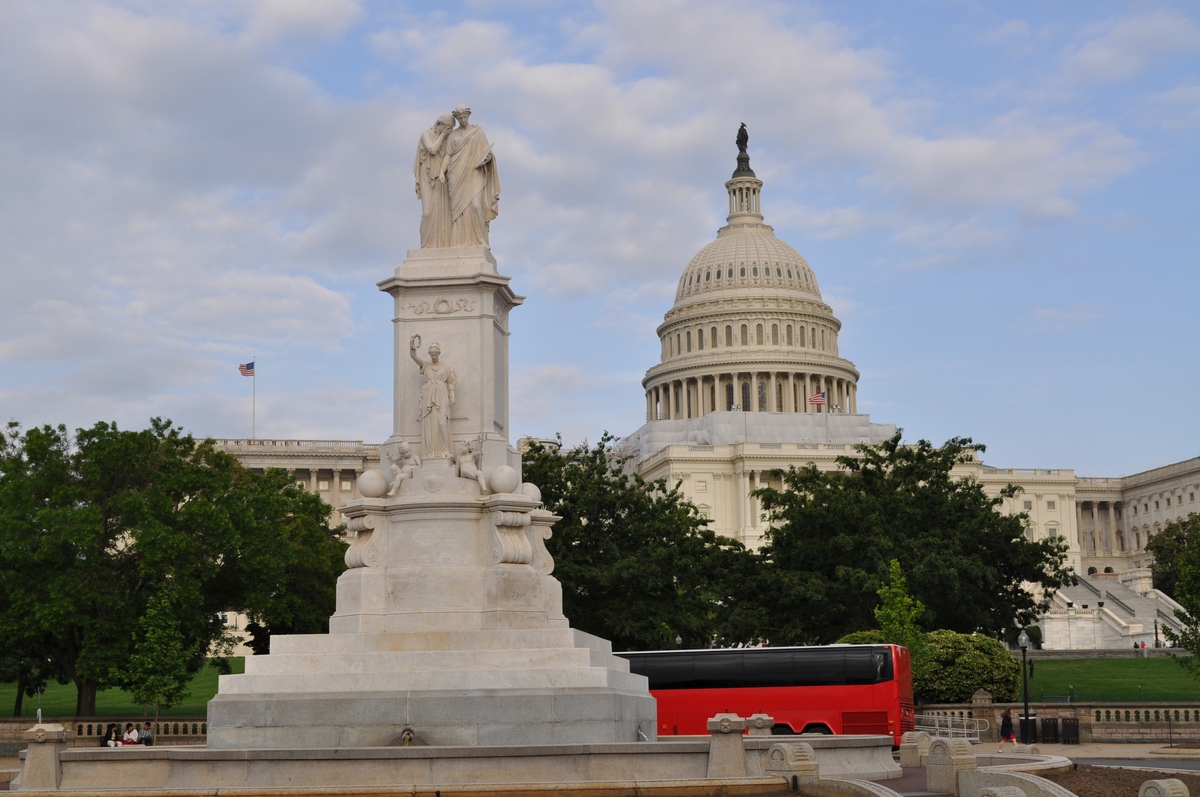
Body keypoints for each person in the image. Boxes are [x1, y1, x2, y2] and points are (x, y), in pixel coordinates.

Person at [445, 105, 500, 247]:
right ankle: (458, 242)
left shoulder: (478, 132)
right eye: (460, 118)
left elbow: (487, 152)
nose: (463, 120)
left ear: (468, 116)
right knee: (457, 210)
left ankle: (480, 241)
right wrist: (440, 172)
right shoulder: (453, 135)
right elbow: (447, 155)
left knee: (476, 205)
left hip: (475, 172)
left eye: (464, 117)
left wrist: (486, 159)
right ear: (456, 119)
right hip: (456, 173)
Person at [410, 337, 457, 459]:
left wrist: (452, 394)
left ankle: (445, 450)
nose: (434, 356)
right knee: (429, 424)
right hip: (428, 395)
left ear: (439, 354)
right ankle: (430, 452)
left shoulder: (445, 368)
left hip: (442, 395)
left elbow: (450, 382)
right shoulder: (425, 365)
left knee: (442, 422)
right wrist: (412, 348)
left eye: (436, 354)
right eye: (432, 354)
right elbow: (414, 357)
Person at [414, 112, 455, 248]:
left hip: (441, 178)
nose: (449, 132)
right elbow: (432, 149)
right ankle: (425, 245)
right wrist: (443, 135)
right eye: (447, 128)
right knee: (427, 213)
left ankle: (441, 245)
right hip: (427, 176)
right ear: (440, 124)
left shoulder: (448, 140)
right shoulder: (426, 134)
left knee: (443, 213)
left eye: (450, 129)